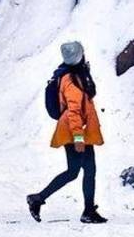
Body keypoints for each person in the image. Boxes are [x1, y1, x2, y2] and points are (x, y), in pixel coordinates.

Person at [27, 41, 107, 224]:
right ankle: (37, 198)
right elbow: (74, 112)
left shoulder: (78, 75)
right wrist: (78, 138)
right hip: (74, 131)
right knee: (73, 172)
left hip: (81, 131)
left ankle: (88, 211)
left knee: (90, 170)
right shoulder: (70, 80)